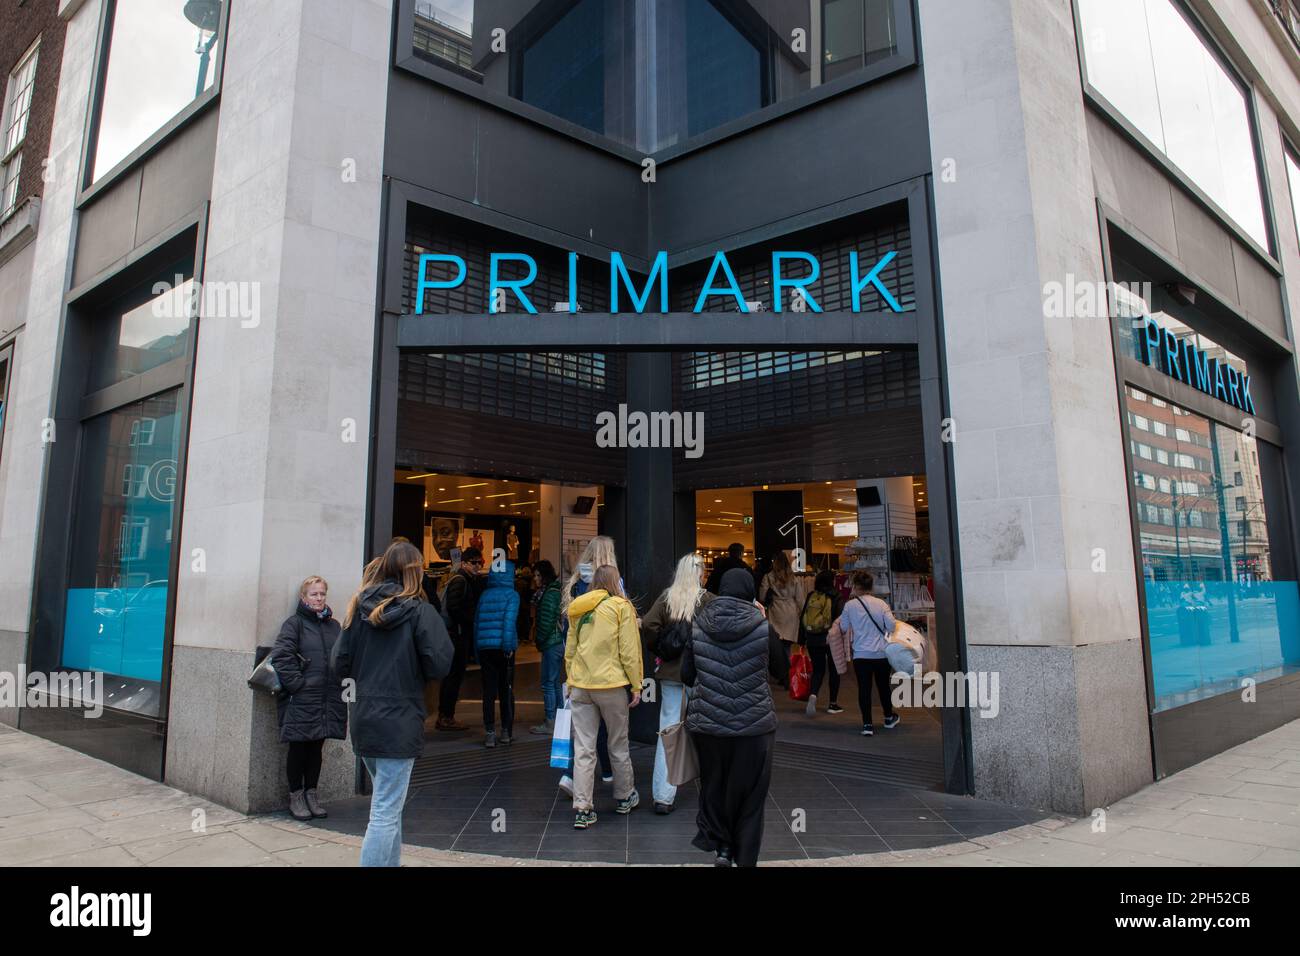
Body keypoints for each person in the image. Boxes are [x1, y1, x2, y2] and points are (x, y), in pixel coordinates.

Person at [331, 540, 454, 866]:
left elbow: (338, 663)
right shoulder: (420, 612)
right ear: (415, 572)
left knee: (388, 805)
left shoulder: (357, 608)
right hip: (400, 720)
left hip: (364, 718)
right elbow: (440, 664)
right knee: (385, 810)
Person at [681, 568, 777, 867]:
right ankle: (745, 859)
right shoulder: (762, 626)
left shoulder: (698, 624)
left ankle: (722, 848)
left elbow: (686, 675)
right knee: (751, 797)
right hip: (754, 726)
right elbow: (783, 670)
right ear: (750, 592)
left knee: (715, 786)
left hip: (708, 725)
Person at [565, 564, 643, 829]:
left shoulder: (578, 608)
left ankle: (583, 809)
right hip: (611, 685)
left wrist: (570, 679)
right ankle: (624, 797)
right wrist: (636, 685)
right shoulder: (622, 608)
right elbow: (629, 651)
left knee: (584, 748)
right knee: (618, 743)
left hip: (581, 686)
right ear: (615, 582)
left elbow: (571, 648)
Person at [640, 552, 715, 814]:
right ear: (700, 573)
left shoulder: (667, 597)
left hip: (671, 674)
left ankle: (663, 796)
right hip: (701, 674)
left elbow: (648, 624)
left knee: (668, 731)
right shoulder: (707, 600)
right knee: (705, 730)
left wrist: (659, 649)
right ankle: (711, 790)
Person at [271, 575, 347, 821]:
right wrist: (298, 685)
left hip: (328, 696)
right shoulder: (294, 624)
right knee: (299, 748)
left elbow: (343, 656)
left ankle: (312, 794)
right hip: (303, 697)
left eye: (322, 593)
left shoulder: (334, 626)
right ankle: (296, 795)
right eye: (314, 594)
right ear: (304, 597)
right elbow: (282, 657)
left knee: (317, 747)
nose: (319, 598)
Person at [556, 536, 621, 795]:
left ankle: (581, 776)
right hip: (607, 670)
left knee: (583, 727)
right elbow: (622, 630)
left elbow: (568, 634)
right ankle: (605, 776)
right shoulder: (614, 588)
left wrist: (570, 669)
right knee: (609, 726)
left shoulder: (574, 585)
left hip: (580, 669)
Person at [838, 570, 899, 736]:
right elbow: (892, 626)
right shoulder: (881, 604)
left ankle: (867, 725)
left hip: (861, 654)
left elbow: (843, 627)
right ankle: (888, 717)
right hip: (881, 654)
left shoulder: (850, 605)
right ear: (871, 586)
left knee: (864, 689)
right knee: (883, 687)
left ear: (856, 586)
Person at [435, 546, 484, 730]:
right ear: (464, 563)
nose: (477, 566)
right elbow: (454, 607)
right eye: (474, 563)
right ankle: (446, 716)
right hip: (456, 634)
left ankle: (446, 715)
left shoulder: (464, 579)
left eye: (480, 562)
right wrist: (468, 621)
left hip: (456, 633)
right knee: (453, 676)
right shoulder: (461, 581)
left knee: (453, 676)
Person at [474, 559, 520, 747]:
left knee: (489, 692)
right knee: (506, 690)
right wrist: (508, 647)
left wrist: (477, 651)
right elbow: (509, 623)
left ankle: (490, 733)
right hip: (503, 648)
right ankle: (506, 732)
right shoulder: (512, 595)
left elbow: (476, 623)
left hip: (486, 648)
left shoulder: (484, 595)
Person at [798, 569, 844, 717]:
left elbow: (803, 617)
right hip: (831, 639)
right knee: (834, 670)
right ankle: (833, 704)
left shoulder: (812, 595)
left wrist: (801, 640)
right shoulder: (836, 596)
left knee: (818, 670)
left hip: (813, 639)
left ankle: (813, 695)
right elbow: (840, 619)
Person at [529, 560, 564, 735]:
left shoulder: (549, 594)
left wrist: (540, 640)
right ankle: (559, 719)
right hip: (556, 643)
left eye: (537, 575)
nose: (535, 578)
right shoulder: (553, 591)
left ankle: (551, 721)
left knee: (548, 683)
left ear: (544, 576)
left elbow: (546, 621)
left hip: (551, 643)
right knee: (555, 682)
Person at [759, 550, 801, 686]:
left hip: (776, 610)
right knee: (788, 645)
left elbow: (762, 595)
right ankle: (788, 674)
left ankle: (782, 673)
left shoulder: (768, 577)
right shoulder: (793, 577)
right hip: (791, 611)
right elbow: (800, 598)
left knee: (777, 644)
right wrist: (801, 611)